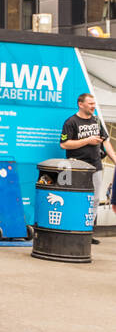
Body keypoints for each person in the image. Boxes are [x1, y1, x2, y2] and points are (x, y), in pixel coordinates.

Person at [60, 92, 115, 244]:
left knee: (95, 199)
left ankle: (88, 232)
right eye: (90, 103)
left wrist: (115, 159)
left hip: (96, 167)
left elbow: (105, 142)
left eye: (94, 103)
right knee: (76, 198)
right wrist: (87, 140)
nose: (93, 106)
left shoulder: (96, 121)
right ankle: (73, 230)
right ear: (81, 104)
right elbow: (64, 144)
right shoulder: (71, 122)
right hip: (77, 168)